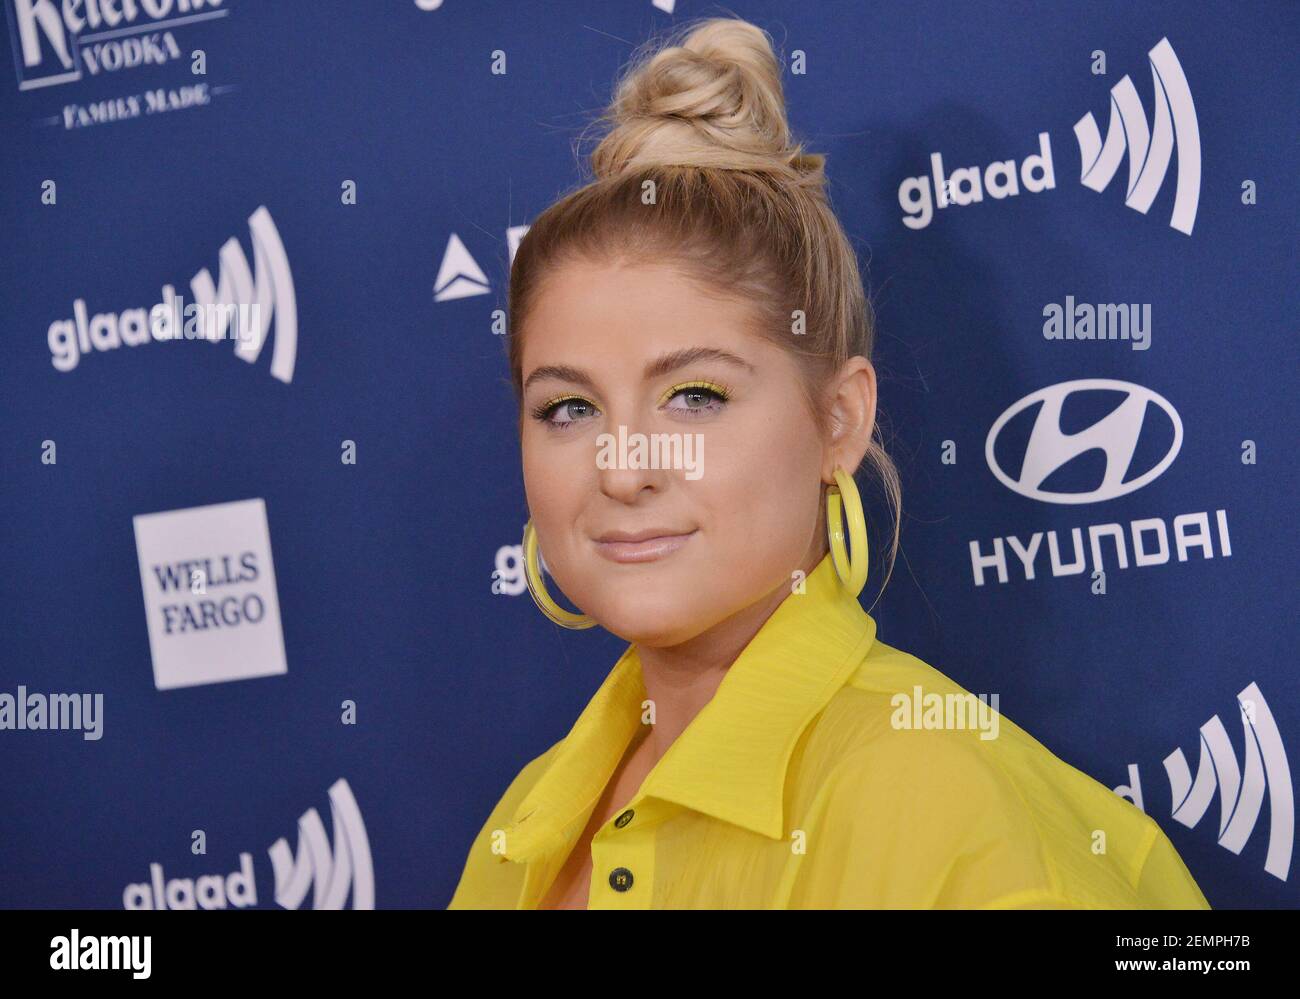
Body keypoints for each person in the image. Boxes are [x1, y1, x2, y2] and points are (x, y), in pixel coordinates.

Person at [447, 15, 1210, 910]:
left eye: (695, 396)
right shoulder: (527, 819)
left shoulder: (959, 822)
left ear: (840, 420)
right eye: (568, 408)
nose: (623, 469)